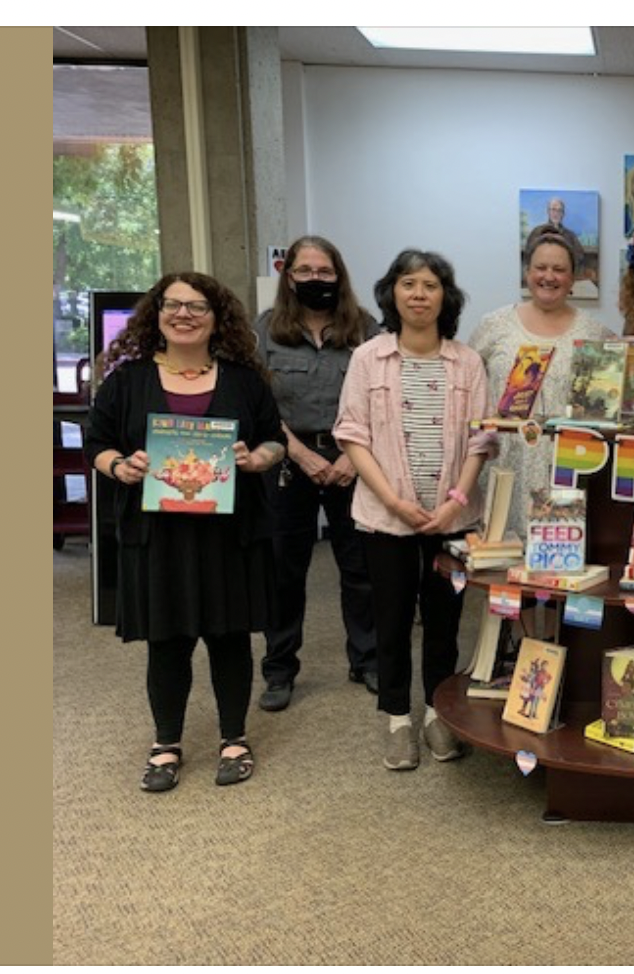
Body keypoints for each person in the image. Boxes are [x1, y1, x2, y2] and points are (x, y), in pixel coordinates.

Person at [85, 272, 285, 792]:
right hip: (158, 536)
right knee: (167, 641)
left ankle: (234, 738)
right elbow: (97, 443)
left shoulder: (244, 381)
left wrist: (257, 458)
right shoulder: (127, 381)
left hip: (229, 534)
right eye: (172, 305)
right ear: (156, 316)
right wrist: (119, 466)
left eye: (197, 306)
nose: (184, 315)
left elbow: (274, 440)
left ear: (217, 318)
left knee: (229, 637)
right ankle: (166, 744)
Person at [333, 249, 496, 771]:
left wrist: (456, 503)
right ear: (392, 293)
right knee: (392, 618)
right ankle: (398, 719)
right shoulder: (368, 358)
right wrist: (393, 500)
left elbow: (482, 440)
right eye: (408, 284)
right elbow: (352, 435)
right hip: (386, 518)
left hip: (453, 521)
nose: (419, 294)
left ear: (446, 297)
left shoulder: (467, 362)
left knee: (445, 622)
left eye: (430, 285)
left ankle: (437, 715)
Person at [253, 235, 382, 711]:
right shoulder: (266, 329)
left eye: (324, 271)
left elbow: (381, 398)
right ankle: (279, 669)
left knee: (360, 567)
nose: (315, 279)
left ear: (338, 275)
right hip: (286, 459)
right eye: (304, 271)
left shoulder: (365, 328)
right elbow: (258, 402)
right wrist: (302, 455)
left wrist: (351, 455)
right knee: (284, 570)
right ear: (289, 278)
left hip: (355, 457)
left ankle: (367, 659)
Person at [470, 231, 611, 537]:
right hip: (504, 468)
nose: (549, 276)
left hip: (566, 472)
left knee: (558, 556)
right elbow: (467, 385)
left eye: (559, 269)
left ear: (573, 278)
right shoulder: (494, 325)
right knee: (499, 557)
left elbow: (605, 409)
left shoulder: (596, 335)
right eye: (540, 267)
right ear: (527, 272)